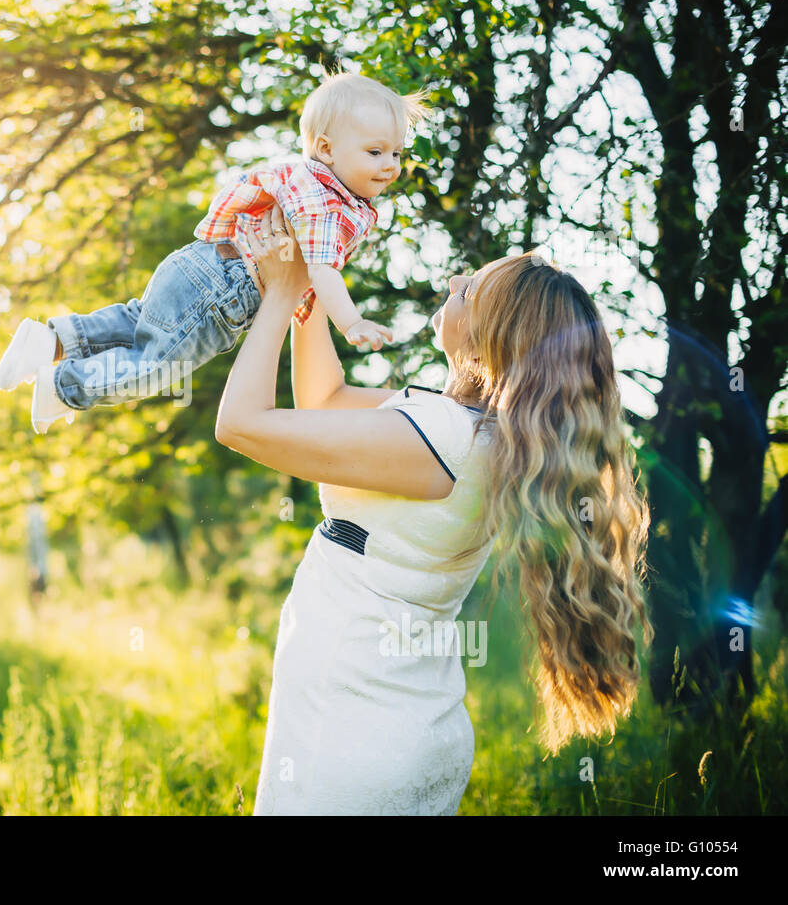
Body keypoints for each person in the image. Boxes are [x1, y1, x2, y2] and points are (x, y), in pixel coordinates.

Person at [217, 206, 652, 815]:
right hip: (403, 723)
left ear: (489, 335)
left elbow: (239, 424)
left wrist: (279, 292)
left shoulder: (442, 436)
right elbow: (325, 400)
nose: (452, 283)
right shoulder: (485, 435)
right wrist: (309, 287)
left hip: (350, 731)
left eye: (469, 287)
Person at [0, 71, 428, 433]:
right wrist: (351, 323)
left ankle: (49, 339)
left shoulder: (304, 182)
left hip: (199, 263)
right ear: (327, 148)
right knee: (156, 368)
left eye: (395, 152)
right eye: (375, 152)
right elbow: (321, 269)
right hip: (223, 291)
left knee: (137, 322)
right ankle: (63, 387)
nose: (390, 164)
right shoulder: (323, 201)